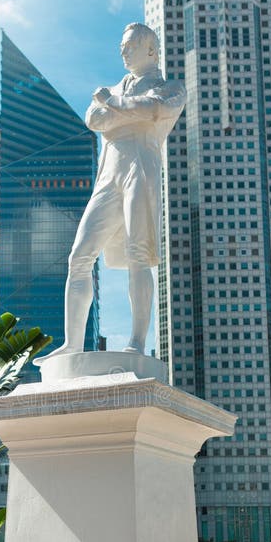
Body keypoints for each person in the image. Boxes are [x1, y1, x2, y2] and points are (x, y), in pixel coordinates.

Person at [37, 22, 186, 361]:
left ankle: (137, 341)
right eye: (121, 46)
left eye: (130, 45)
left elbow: (153, 110)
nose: (123, 51)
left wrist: (112, 103)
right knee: (79, 256)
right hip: (109, 174)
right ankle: (72, 344)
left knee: (139, 254)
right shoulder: (119, 88)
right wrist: (123, 107)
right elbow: (94, 119)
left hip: (140, 167)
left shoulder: (170, 88)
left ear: (151, 50)